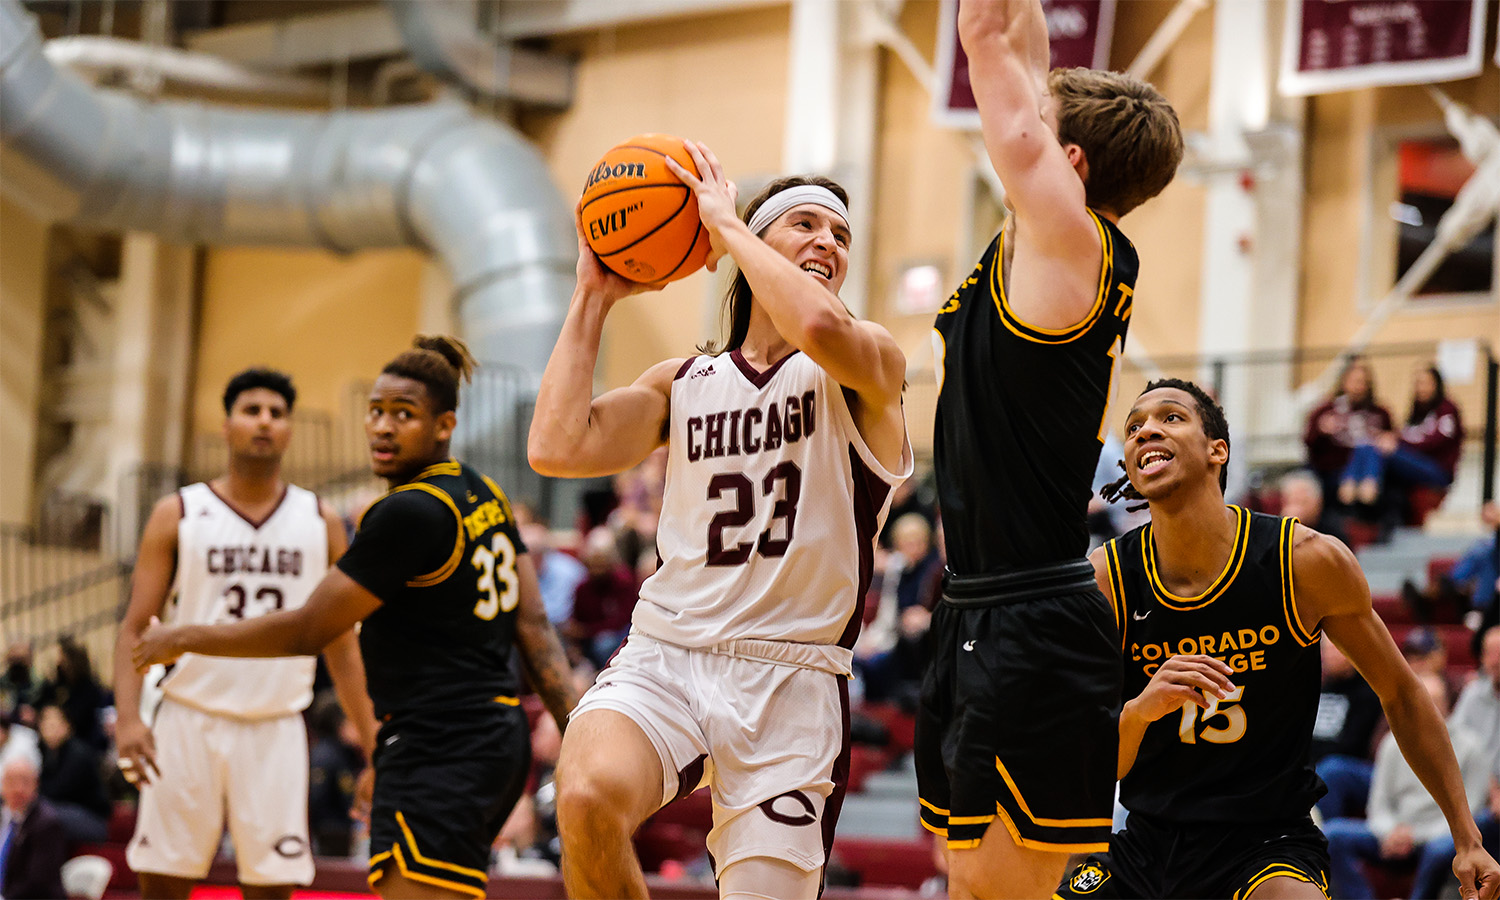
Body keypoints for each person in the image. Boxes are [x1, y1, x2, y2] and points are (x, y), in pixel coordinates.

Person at [529, 143, 911, 900]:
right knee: (584, 794)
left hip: (793, 677)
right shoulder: (684, 383)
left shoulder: (866, 362)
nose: (827, 244)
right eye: (804, 225)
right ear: (759, 245)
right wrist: (592, 296)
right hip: (669, 652)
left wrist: (726, 225)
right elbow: (554, 445)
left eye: (839, 236)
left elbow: (821, 329)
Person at [133, 336, 579, 900]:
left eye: (404, 415)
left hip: (439, 743)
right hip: (494, 739)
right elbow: (533, 624)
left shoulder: (405, 512)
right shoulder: (483, 491)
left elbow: (309, 630)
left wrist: (185, 636)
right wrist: (574, 729)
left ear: (444, 426)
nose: (384, 428)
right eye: (376, 413)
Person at [916, 0, 1184, 894]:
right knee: (968, 885)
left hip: (1030, 614)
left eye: (1043, 123)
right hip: (980, 604)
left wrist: (996, 39)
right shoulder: (1047, 248)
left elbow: (989, 38)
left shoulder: (1070, 244)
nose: (1021, 119)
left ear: (1069, 163)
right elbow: (1023, 51)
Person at [1054, 379, 1498, 900]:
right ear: (1128, 465)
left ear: (1217, 450)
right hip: (1148, 839)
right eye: (1133, 427)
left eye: (1170, 417)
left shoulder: (1304, 561)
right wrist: (1142, 709)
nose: (1147, 429)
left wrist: (1466, 837)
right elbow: (1088, 761)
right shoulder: (1106, 580)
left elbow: (1401, 694)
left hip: (1268, 840)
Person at [111, 367, 375, 900]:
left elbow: (341, 641)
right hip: (187, 718)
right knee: (162, 884)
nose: (265, 422)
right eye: (251, 410)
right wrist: (129, 718)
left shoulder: (320, 518)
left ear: (290, 430)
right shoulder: (178, 512)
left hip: (275, 724)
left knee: (274, 888)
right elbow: (137, 627)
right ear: (226, 424)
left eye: (277, 414)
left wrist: (372, 744)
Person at [1323, 673, 1489, 900]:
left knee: (1439, 850)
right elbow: (1378, 804)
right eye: (1422, 701)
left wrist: (1415, 836)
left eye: (1435, 701)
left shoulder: (1472, 748)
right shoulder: (1392, 743)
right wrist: (1391, 831)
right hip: (1396, 831)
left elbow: (1471, 813)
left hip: (1440, 835)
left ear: (1448, 706)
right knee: (1332, 834)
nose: (1427, 708)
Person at [1342, 365, 1463, 511]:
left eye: (1425, 383)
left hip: (1437, 470)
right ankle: (1352, 483)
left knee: (1382, 447)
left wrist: (1397, 441)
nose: (1421, 388)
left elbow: (1435, 442)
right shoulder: (1417, 411)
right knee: (1367, 443)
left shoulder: (1447, 409)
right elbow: (1406, 436)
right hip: (1416, 463)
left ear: (1437, 384)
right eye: (1418, 384)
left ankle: (1367, 485)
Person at [1303, 357, 1392, 507]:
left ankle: (1365, 484)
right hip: (1335, 468)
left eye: (1364, 382)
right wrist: (1322, 431)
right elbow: (1308, 443)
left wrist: (1389, 440)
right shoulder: (1325, 410)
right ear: (1344, 382)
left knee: (1367, 447)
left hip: (1372, 466)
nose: (1359, 387)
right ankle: (1356, 483)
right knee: (1364, 447)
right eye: (1355, 381)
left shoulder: (1380, 412)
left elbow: (1391, 438)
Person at [1311, 639, 1384, 820]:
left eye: (1335, 650)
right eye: (1325, 651)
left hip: (1354, 767)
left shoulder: (1367, 693)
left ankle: (1323, 838)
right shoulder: (1319, 689)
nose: (1328, 656)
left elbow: (1353, 745)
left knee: (1331, 770)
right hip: (1317, 762)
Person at [36, 703, 109, 845]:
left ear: (67, 726)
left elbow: (57, 792)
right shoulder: (48, 753)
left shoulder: (78, 753)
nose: (49, 729)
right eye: (45, 723)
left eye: (54, 724)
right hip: (65, 812)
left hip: (91, 819)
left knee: (42, 815)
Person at [0, 753, 68, 899]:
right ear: (2, 783)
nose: (18, 789)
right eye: (11, 781)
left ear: (36, 785)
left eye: (25, 782)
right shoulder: (3, 813)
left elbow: (36, 883)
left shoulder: (46, 823)